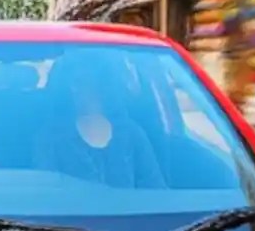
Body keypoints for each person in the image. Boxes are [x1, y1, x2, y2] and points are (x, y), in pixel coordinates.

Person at [33, 57, 165, 188]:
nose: (76, 90)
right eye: (72, 83)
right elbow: (47, 192)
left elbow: (155, 189)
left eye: (83, 82)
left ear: (103, 86)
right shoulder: (51, 138)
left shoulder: (131, 134)